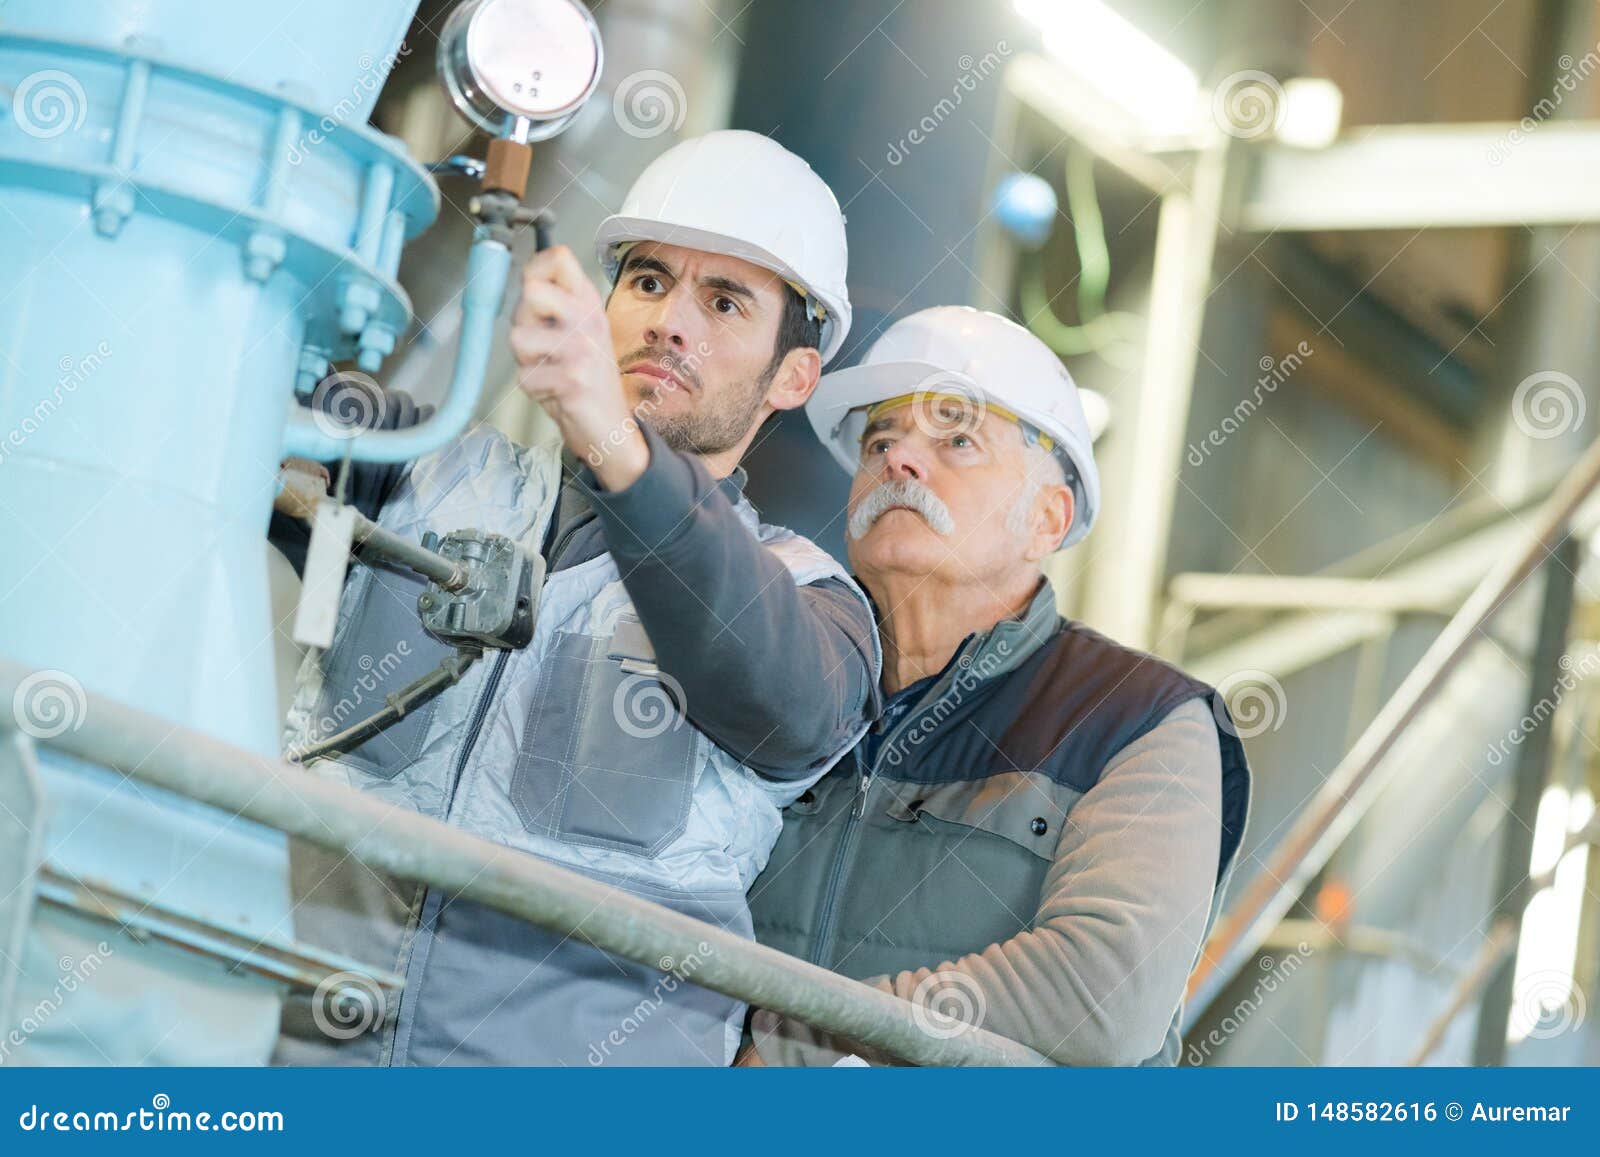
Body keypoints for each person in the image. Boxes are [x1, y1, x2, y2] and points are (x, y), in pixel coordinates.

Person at [271, 130, 880, 1067]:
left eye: (724, 302)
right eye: (647, 281)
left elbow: (784, 697)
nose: (671, 322)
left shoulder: (809, 600)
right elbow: (230, 392)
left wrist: (617, 448)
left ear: (794, 376)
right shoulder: (415, 471)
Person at [743, 306, 1251, 1066]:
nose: (900, 462)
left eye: (957, 440)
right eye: (882, 441)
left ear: (1046, 519)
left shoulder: (1140, 720)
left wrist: (801, 1051)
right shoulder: (776, 667)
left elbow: (1105, 997)